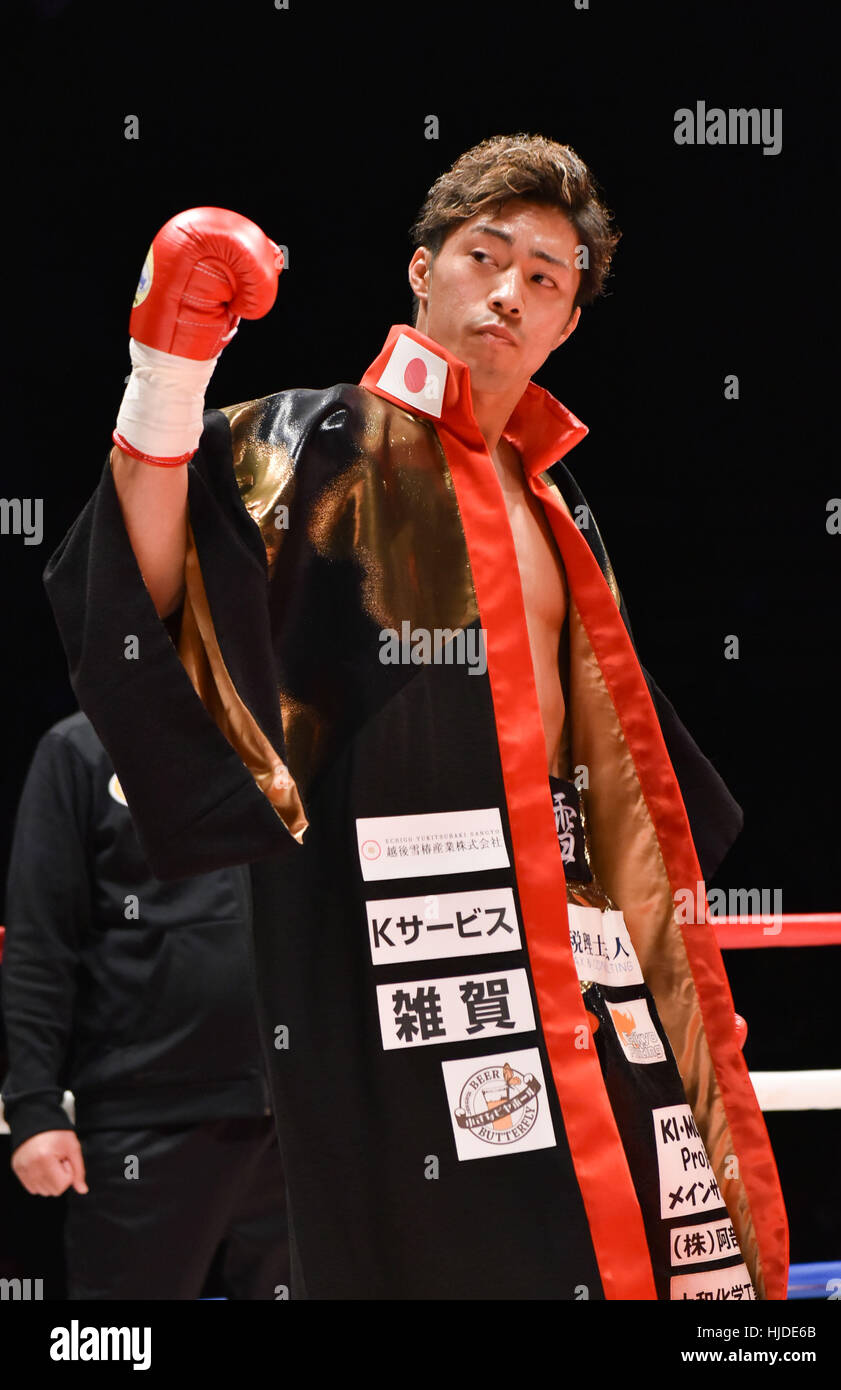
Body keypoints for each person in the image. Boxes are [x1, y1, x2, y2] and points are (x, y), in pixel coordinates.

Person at [43, 134, 788, 1299]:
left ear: (566, 322)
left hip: (585, 943)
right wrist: (166, 374)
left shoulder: (557, 494)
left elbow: (624, 760)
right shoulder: (314, 442)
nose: (509, 290)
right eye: (483, 256)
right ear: (420, 271)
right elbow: (151, 585)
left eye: (546, 276)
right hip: (408, 951)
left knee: (662, 1258)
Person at [1, 712, 292, 1299]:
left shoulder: (293, 733)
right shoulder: (80, 747)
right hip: (145, 1112)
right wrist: (33, 1107)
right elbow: (39, 941)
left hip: (297, 1115)